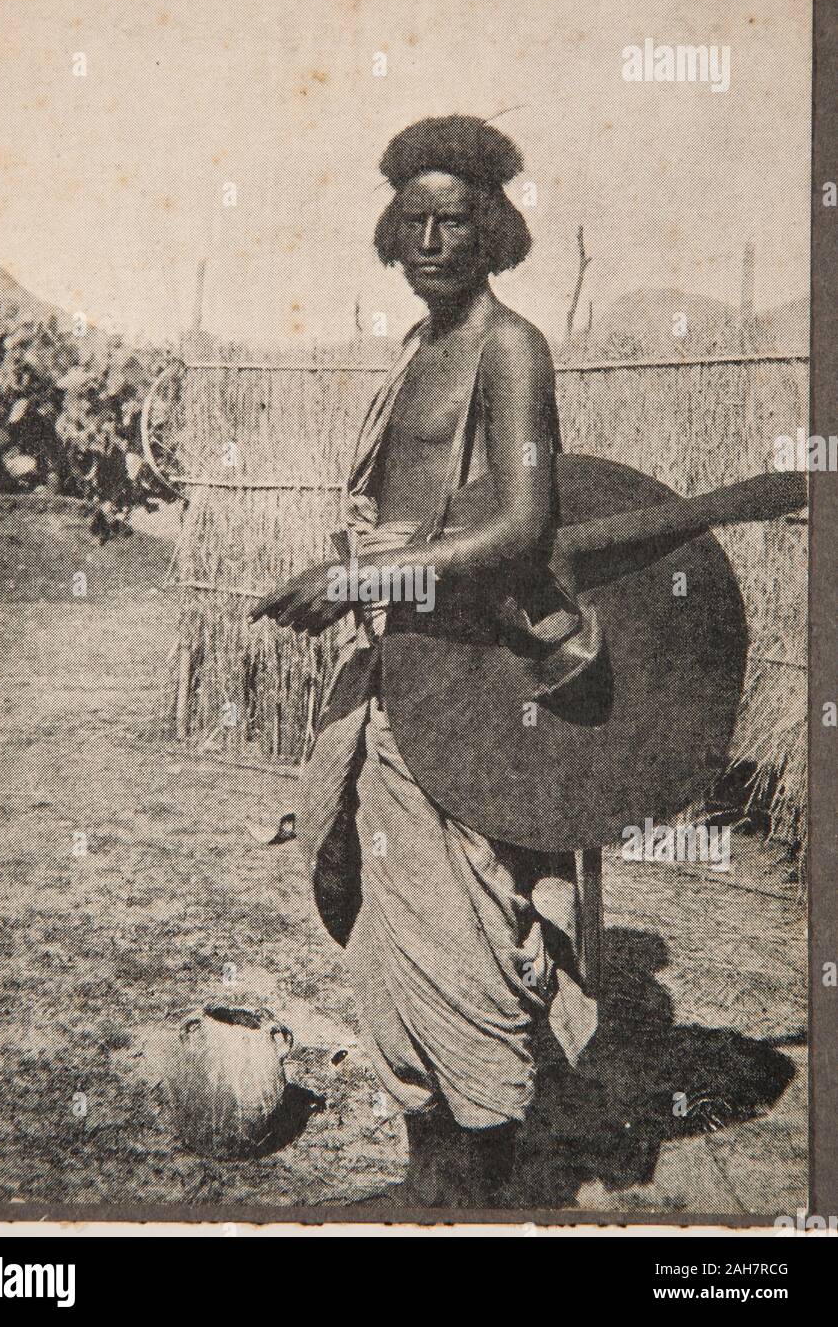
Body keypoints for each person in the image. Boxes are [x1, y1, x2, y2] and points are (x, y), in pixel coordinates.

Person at [251, 117, 597, 1208]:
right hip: (392, 660)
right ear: (390, 234)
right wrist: (361, 582)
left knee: (468, 936)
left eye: (457, 219)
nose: (434, 239)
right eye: (415, 220)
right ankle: (425, 1179)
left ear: (494, 231)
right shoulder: (413, 350)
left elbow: (521, 528)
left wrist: (357, 582)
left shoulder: (509, 349)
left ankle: (479, 1192)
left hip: (467, 672)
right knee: (389, 923)